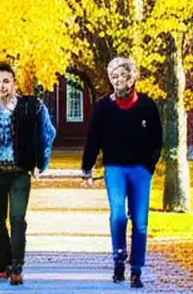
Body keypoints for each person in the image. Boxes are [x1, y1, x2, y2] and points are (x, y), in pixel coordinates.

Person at [0, 60, 57, 286]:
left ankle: (17, 266)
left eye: (6, 81)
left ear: (14, 83)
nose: (2, 86)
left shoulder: (31, 105)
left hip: (19, 171)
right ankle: (3, 265)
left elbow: (48, 132)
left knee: (17, 218)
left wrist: (41, 162)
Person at [81, 57, 164, 289]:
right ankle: (119, 258)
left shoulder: (147, 106)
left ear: (133, 77)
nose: (119, 80)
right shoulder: (103, 107)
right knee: (118, 215)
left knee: (140, 222)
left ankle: (136, 270)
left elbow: (157, 139)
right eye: (115, 76)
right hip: (114, 168)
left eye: (124, 75)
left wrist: (150, 165)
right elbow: (93, 138)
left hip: (140, 170)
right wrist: (87, 166)